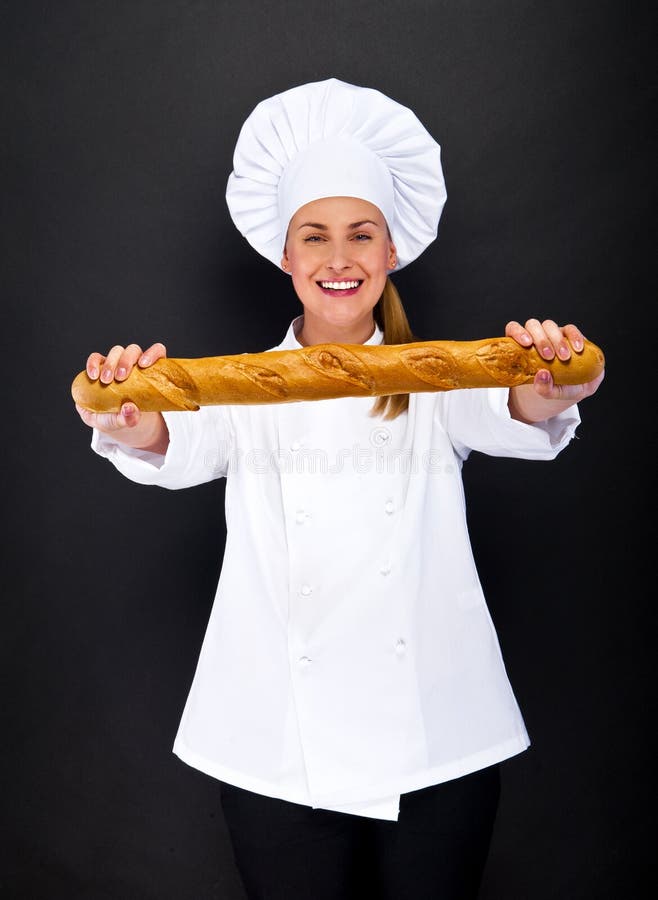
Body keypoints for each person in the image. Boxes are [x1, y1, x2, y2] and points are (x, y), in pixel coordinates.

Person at [74, 79, 604, 900]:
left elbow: (517, 407)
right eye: (314, 237)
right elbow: (169, 441)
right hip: (279, 745)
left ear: (392, 251)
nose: (339, 257)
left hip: (434, 738)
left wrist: (550, 381)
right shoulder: (236, 389)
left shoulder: (442, 381)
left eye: (362, 235)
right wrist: (132, 415)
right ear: (284, 255)